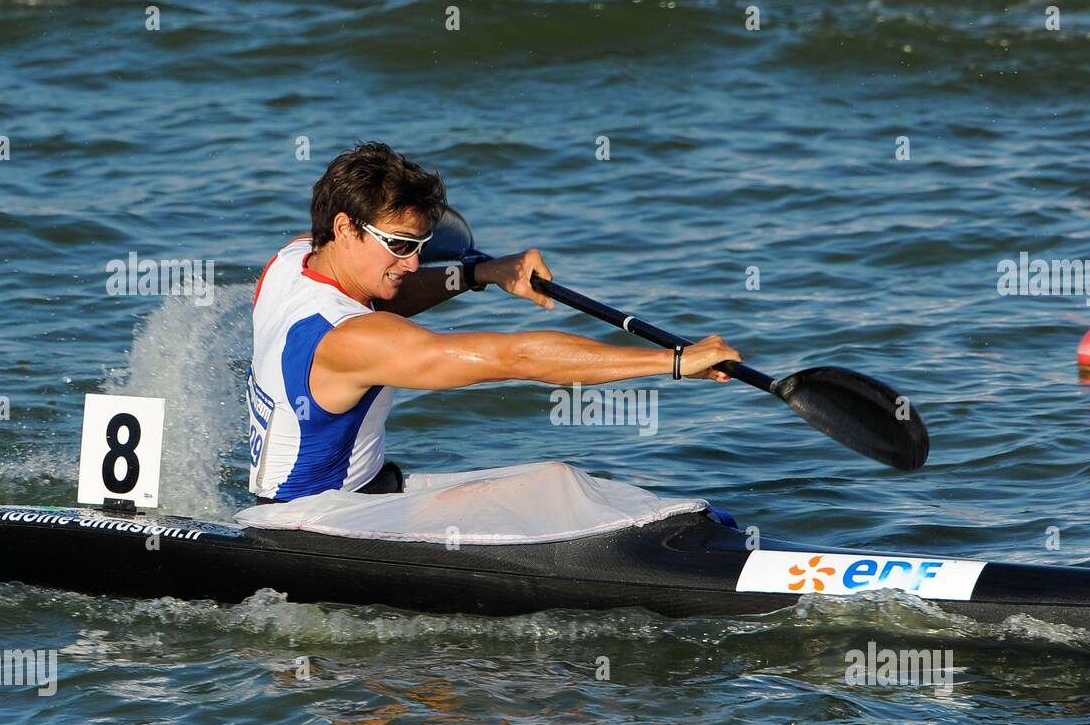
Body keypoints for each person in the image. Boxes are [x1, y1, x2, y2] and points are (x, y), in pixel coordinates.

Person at [248, 141, 741, 502]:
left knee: (551, 484)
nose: (414, 263)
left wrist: (479, 273)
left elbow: (383, 295)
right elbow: (516, 356)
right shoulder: (353, 340)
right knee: (557, 489)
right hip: (323, 527)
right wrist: (675, 361)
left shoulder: (290, 262)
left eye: (420, 246)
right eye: (399, 245)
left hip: (342, 495)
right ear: (343, 228)